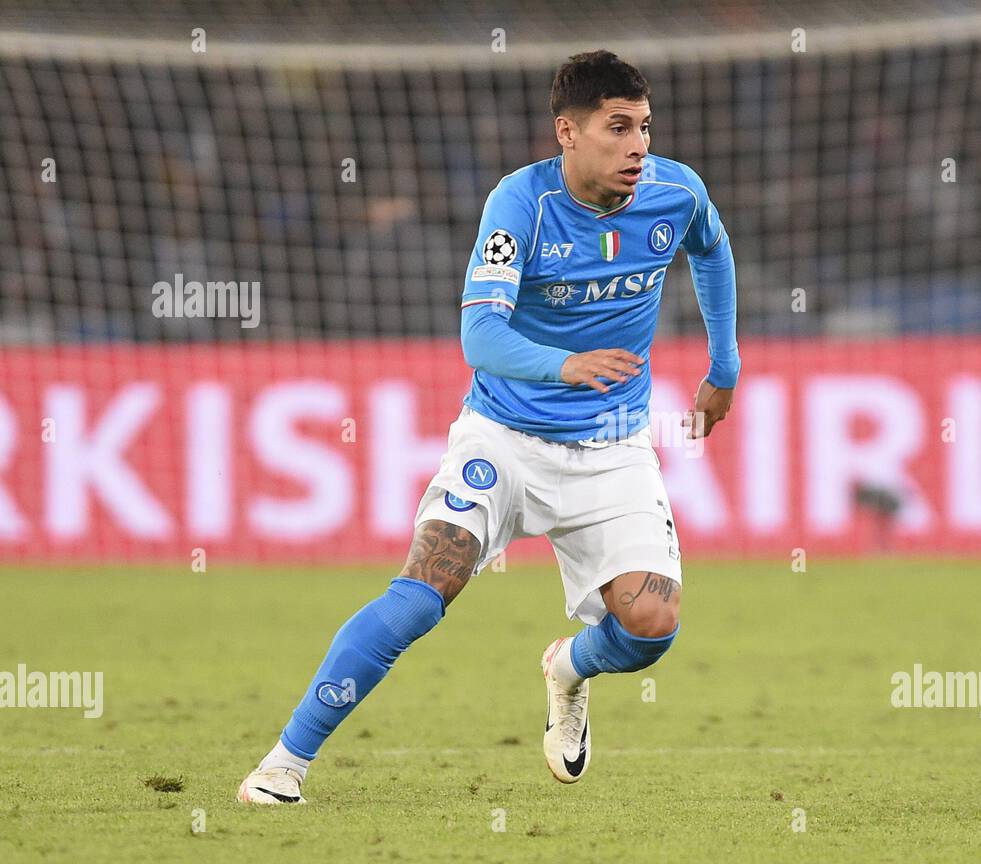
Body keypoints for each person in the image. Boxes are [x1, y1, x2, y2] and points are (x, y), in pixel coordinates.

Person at [237, 49, 740, 803]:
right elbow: (481, 337)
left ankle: (569, 668)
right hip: (504, 440)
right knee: (419, 593)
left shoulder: (675, 191)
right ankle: (283, 764)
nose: (639, 144)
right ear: (567, 132)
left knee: (652, 626)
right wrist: (562, 365)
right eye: (618, 127)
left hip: (612, 448)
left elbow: (713, 249)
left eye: (644, 126)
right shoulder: (521, 204)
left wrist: (724, 365)